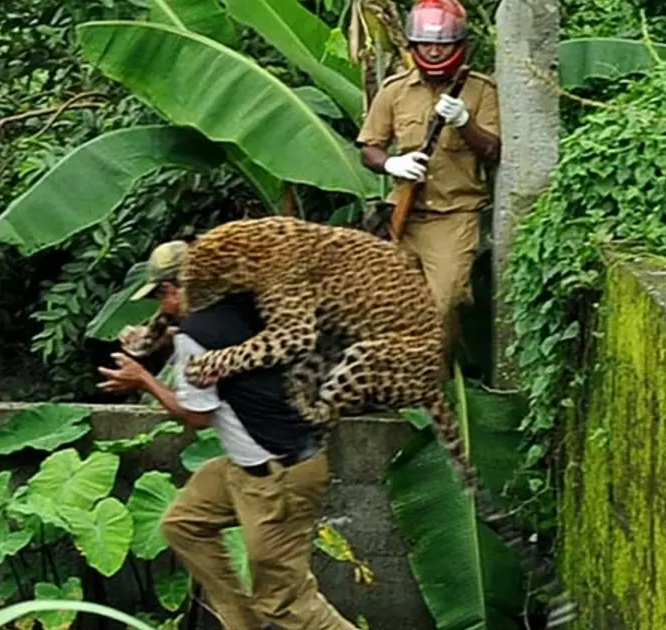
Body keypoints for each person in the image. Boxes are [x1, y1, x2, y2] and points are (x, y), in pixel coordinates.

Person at [97, 242, 358, 630]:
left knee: (287, 604)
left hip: (275, 477)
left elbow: (197, 416)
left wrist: (144, 380)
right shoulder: (251, 307)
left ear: (173, 289)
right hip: (258, 462)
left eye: (160, 296)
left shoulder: (196, 335)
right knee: (183, 524)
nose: (160, 309)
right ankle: (243, 623)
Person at [355, 0, 500, 366]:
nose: (434, 50)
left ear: (459, 44)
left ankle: (432, 381)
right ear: (413, 45)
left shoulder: (480, 90)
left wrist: (464, 121)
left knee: (445, 301)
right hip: (403, 214)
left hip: (454, 215)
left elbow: (493, 149)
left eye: (443, 44)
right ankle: (388, 381)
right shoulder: (395, 90)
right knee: (385, 305)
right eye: (425, 43)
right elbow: (368, 148)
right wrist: (392, 163)